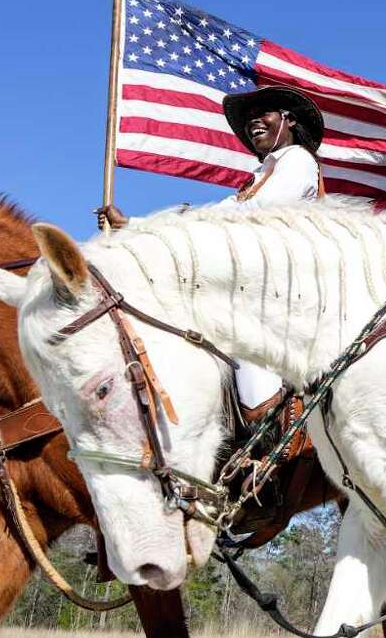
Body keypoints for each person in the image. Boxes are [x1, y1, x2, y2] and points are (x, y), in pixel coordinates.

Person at [98, 84, 325, 417]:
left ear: (288, 120)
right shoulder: (257, 178)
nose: (253, 123)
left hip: (279, 296)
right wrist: (133, 227)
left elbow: (251, 214)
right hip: (250, 288)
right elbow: (223, 213)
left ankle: (274, 441)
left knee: (253, 380)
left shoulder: (298, 161)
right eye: (248, 119)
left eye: (263, 114)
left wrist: (146, 229)